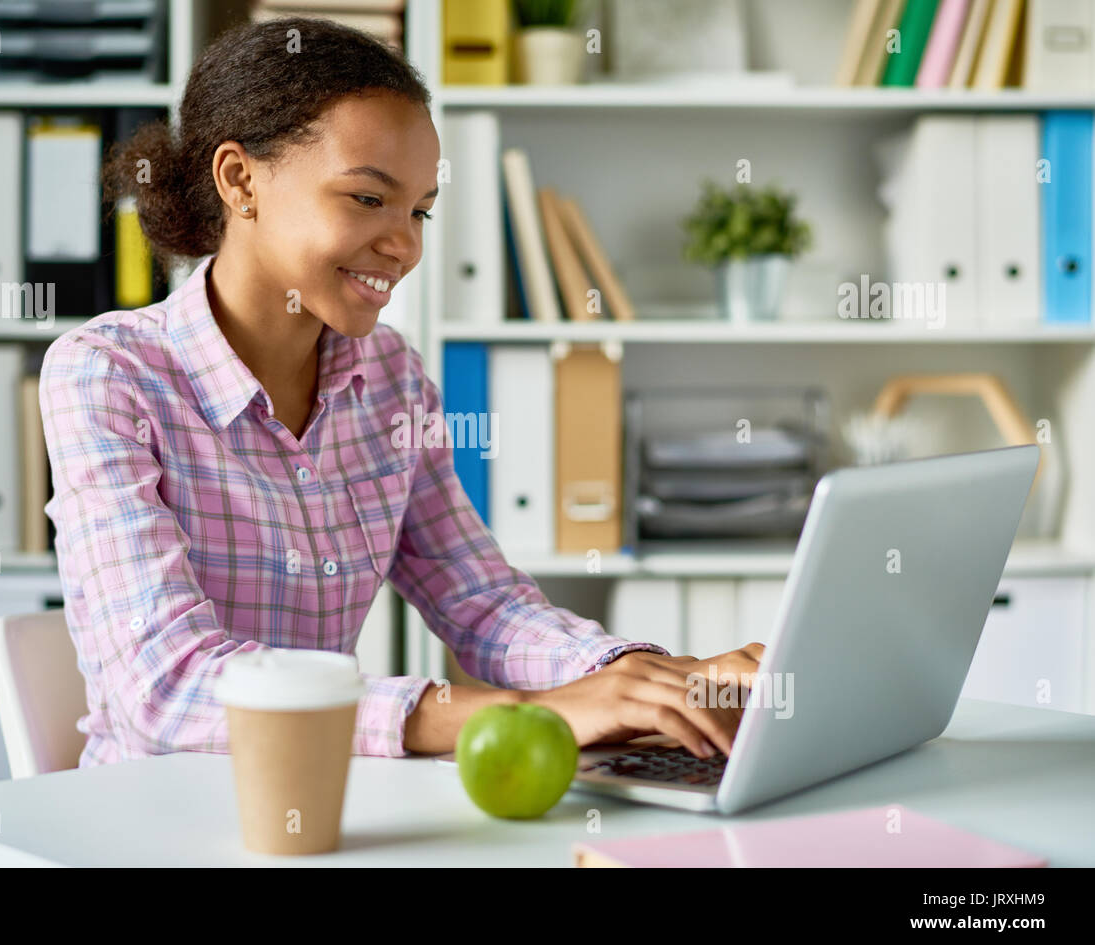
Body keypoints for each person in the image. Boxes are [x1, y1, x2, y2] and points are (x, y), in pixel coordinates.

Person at [39, 17, 762, 770]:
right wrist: (521, 712)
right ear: (240, 180)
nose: (406, 244)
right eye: (365, 199)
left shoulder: (389, 377)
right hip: (155, 826)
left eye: (418, 210)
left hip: (332, 810)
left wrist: (637, 676)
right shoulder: (107, 376)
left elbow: (483, 601)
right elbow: (168, 690)